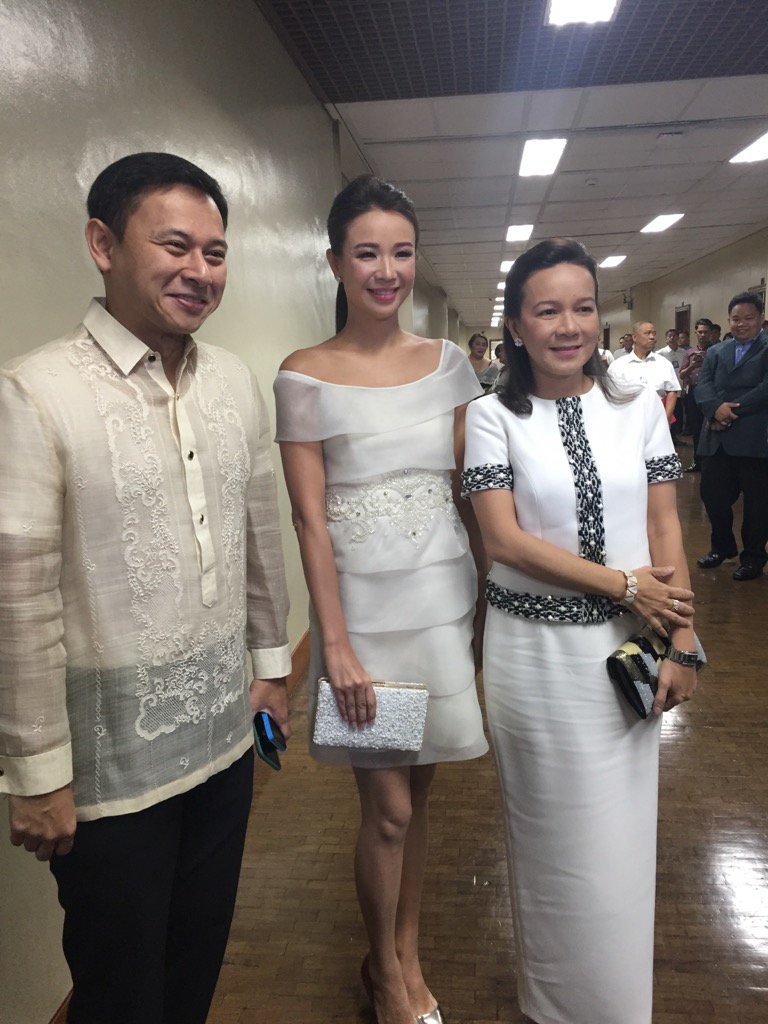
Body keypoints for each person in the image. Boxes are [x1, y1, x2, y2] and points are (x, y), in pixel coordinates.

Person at [0, 153, 291, 1024]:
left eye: (216, 252)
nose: (200, 272)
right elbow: (19, 598)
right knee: (120, 990)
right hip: (106, 779)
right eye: (176, 246)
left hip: (226, 746)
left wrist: (272, 668)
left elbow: (259, 539)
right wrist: (37, 769)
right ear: (102, 243)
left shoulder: (233, 381)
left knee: (195, 966)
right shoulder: (36, 392)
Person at [463, 238, 697, 1024]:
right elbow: (504, 540)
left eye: (584, 306)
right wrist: (626, 585)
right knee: (553, 850)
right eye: (547, 310)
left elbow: (665, 525)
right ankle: (555, 1006)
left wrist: (685, 644)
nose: (569, 325)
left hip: (631, 651)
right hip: (534, 658)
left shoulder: (636, 411)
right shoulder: (491, 417)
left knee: (620, 851)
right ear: (517, 327)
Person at [274, 175, 488, 1024]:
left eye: (401, 251)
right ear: (335, 261)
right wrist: (334, 645)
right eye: (367, 252)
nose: (387, 269)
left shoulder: (448, 365)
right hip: (362, 621)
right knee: (387, 808)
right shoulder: (303, 376)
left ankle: (405, 950)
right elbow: (310, 522)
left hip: (442, 606)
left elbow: (476, 495)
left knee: (421, 798)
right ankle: (388, 978)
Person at [695, 292, 768, 580]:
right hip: (717, 437)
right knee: (712, 496)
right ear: (728, 320)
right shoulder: (716, 351)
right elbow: (703, 386)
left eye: (748, 318)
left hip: (754, 438)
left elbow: (765, 388)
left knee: (757, 504)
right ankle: (722, 546)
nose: (741, 324)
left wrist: (730, 411)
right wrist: (714, 409)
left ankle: (753, 557)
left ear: (760, 319)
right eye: (736, 319)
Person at [608, 320, 681, 423]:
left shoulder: (663, 364)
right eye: (647, 333)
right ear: (635, 337)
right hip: (627, 419)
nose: (652, 337)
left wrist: (666, 419)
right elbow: (609, 394)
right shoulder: (618, 365)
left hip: (656, 418)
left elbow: (672, 391)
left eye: (654, 334)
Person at [679, 318, 715, 471]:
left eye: (706, 332)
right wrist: (693, 364)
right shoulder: (689, 352)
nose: (702, 335)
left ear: (711, 333)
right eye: (700, 332)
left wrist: (708, 359)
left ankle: (711, 463)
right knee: (695, 427)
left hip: (712, 392)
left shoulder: (717, 350)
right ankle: (697, 462)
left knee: (711, 426)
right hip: (693, 392)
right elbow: (681, 374)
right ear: (695, 333)